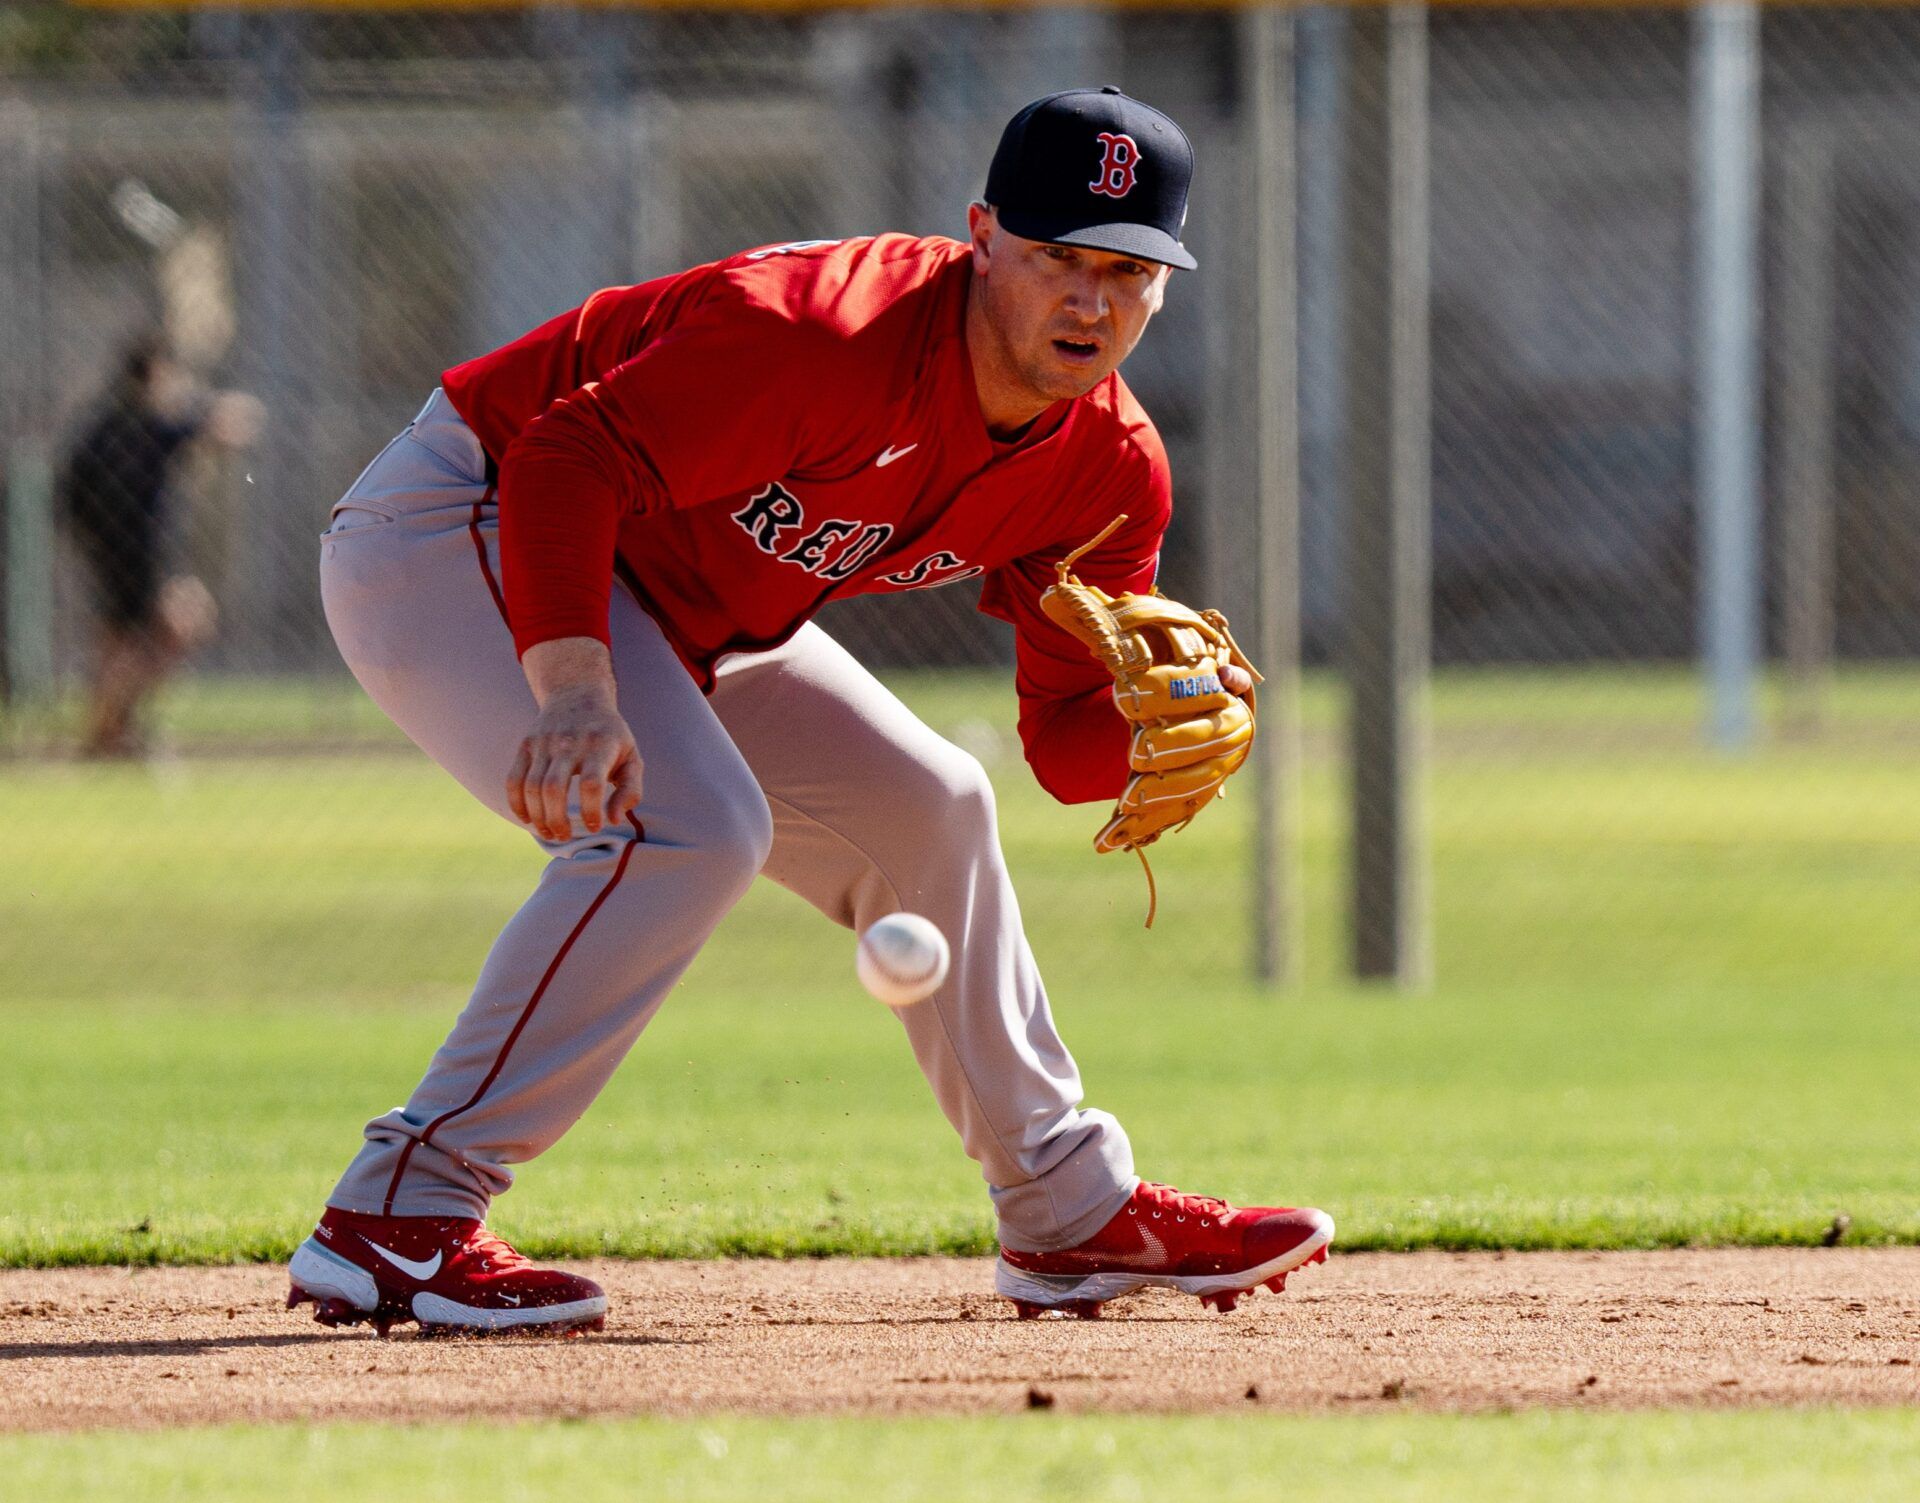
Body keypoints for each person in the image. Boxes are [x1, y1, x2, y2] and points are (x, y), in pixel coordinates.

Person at [287, 88, 1333, 1338]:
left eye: (1129, 270)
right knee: (688, 825)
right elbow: (567, 459)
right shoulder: (826, 336)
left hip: (687, 615)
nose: (1091, 302)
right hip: (468, 519)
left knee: (936, 807)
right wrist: (574, 689)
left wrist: (1154, 722)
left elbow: (1061, 748)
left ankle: (1064, 1212)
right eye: (1059, 256)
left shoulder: (1108, 467)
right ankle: (398, 1216)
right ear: (982, 234)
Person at [59, 337, 260, 758]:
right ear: (155, 374)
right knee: (182, 624)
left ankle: (115, 732)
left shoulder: (102, 427)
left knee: (120, 645)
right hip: (140, 554)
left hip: (107, 552)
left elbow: (68, 496)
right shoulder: (148, 423)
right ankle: (108, 728)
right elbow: (230, 423)